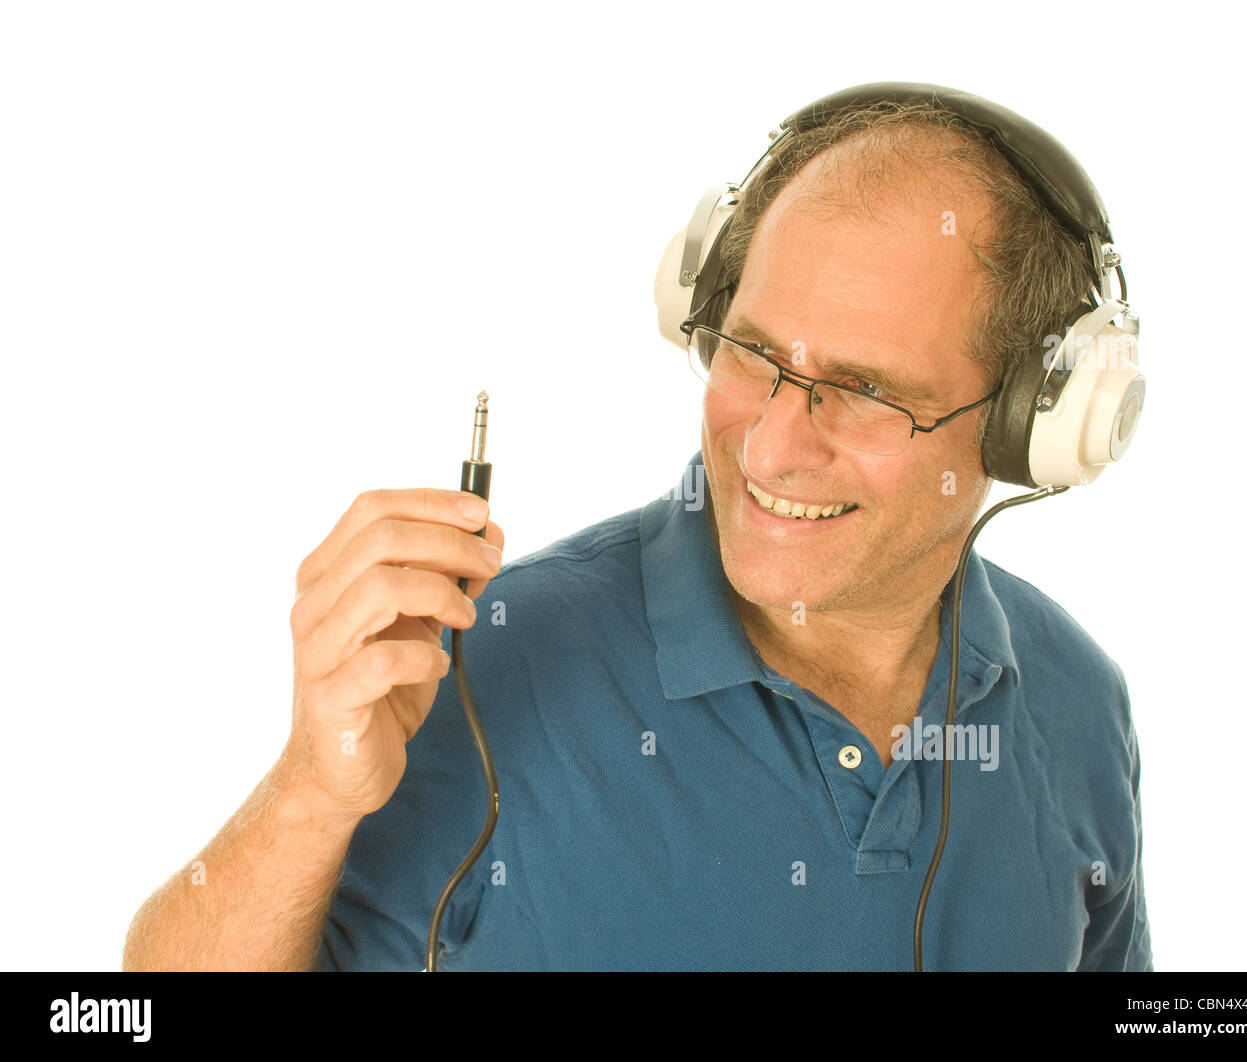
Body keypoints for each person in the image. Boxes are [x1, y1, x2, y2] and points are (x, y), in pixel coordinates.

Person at [122, 85, 1151, 972]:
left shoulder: (1076, 698)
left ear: (1037, 425)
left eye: (865, 391)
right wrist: (311, 791)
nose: (771, 447)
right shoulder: (479, 667)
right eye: (752, 354)